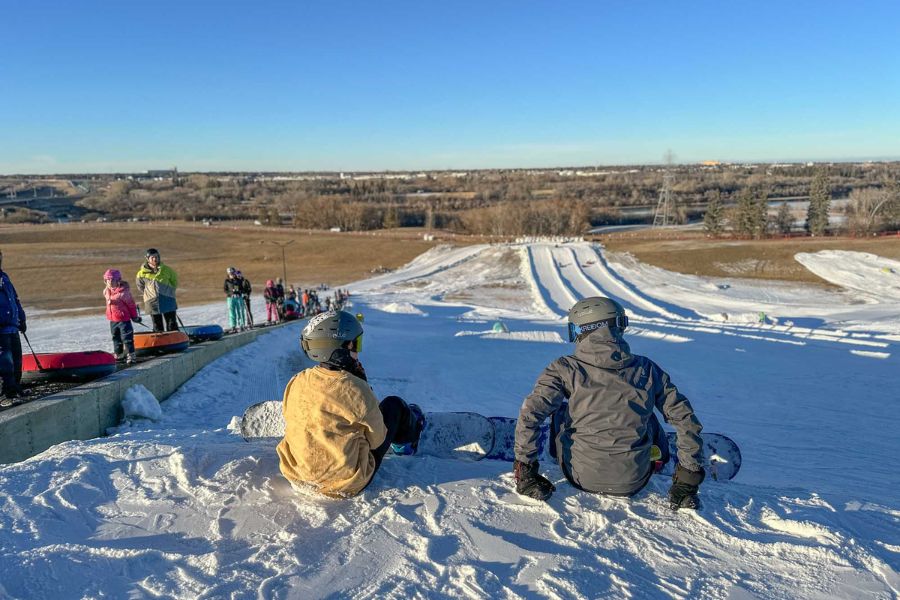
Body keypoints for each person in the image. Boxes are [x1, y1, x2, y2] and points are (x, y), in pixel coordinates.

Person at [513, 296, 705, 511]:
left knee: (560, 411)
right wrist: (688, 481)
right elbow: (685, 418)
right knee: (647, 413)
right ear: (618, 326)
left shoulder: (564, 368)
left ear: (580, 331)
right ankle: (653, 454)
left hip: (579, 476)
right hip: (635, 480)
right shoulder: (646, 369)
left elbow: (531, 414)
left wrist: (525, 472)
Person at [277, 310, 424, 498]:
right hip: (344, 482)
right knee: (394, 405)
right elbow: (377, 439)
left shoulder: (297, 380)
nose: (357, 351)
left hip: (297, 475)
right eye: (356, 345)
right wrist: (361, 383)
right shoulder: (355, 388)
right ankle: (406, 441)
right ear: (341, 347)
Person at [0, 249, 28, 406]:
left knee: (17, 359)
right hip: (1, 329)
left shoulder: (4, 277)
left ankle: (15, 388)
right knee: (5, 362)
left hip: (12, 326)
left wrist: (21, 319)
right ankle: (5, 393)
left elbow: (14, 299)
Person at [135, 248, 179, 332]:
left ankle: (175, 342)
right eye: (152, 257)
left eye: (156, 257)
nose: (155, 259)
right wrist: (150, 293)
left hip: (167, 299)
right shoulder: (141, 273)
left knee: (171, 324)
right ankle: (161, 343)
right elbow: (140, 286)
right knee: (157, 325)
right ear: (147, 259)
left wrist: (168, 291)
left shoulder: (167, 270)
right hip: (152, 301)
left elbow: (174, 282)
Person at [103, 269, 141, 365]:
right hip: (113, 320)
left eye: (113, 280)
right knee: (116, 338)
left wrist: (135, 317)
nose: (110, 282)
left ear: (118, 280)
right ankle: (119, 354)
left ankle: (131, 355)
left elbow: (131, 305)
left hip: (123, 320)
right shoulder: (106, 291)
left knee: (127, 338)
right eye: (108, 280)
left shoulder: (124, 292)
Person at [223, 267, 246, 333]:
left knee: (240, 311)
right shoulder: (227, 281)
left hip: (238, 297)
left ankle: (241, 325)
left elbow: (242, 288)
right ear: (228, 273)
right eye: (230, 273)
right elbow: (225, 290)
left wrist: (239, 291)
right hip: (230, 298)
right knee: (232, 312)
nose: (232, 274)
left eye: (233, 273)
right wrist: (231, 292)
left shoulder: (238, 280)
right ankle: (233, 326)